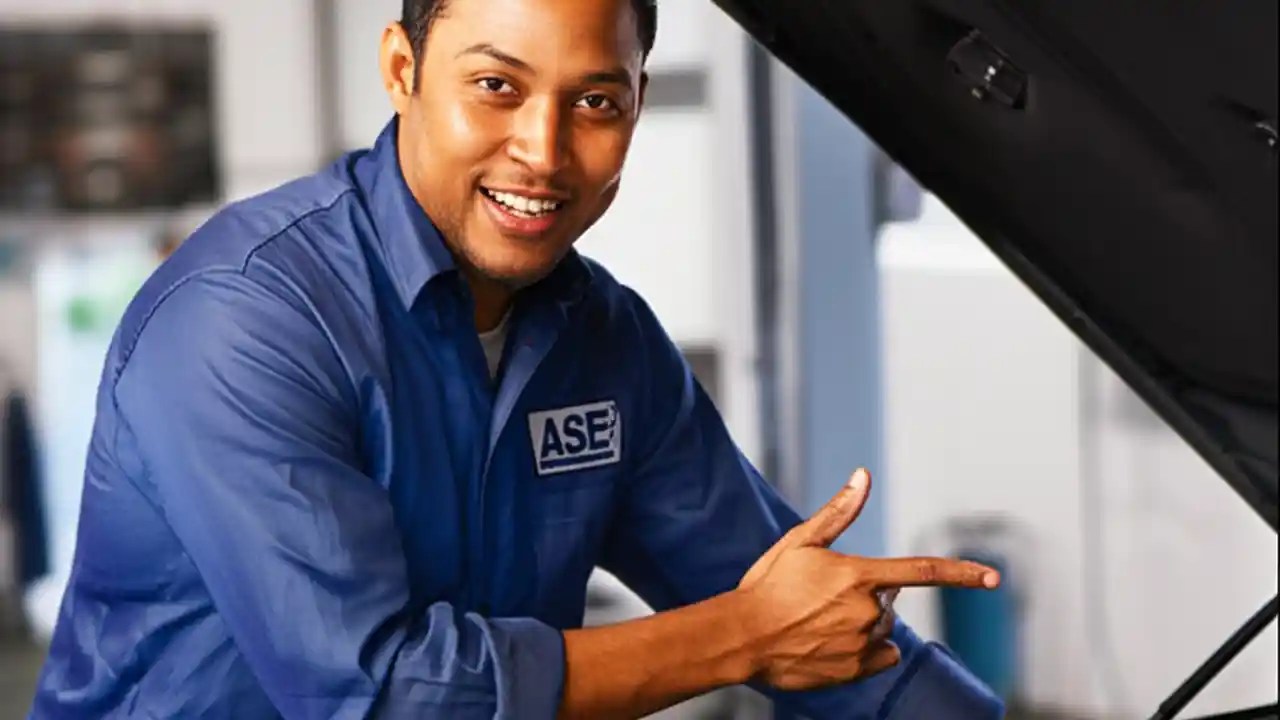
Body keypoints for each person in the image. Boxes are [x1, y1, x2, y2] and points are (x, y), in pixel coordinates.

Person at [30, 0, 1006, 717]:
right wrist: (740, 636)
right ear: (402, 68)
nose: (542, 151)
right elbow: (379, 696)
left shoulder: (605, 344)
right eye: (496, 87)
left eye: (594, 101)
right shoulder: (245, 321)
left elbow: (784, 603)